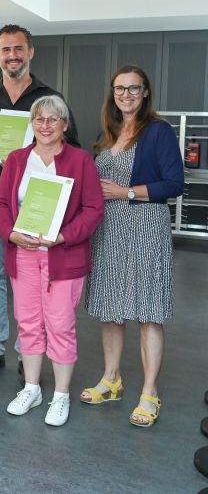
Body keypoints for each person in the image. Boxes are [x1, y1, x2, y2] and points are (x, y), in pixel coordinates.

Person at [0, 24, 80, 381]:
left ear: (30, 52)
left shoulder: (49, 97)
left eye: (19, 49)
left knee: (29, 278)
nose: (12, 56)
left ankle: (26, 352)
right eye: (6, 49)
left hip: (36, 199)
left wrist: (31, 160)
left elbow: (72, 148)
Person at [80, 65, 184, 427]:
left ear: (145, 92)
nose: (126, 94)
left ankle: (149, 392)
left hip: (146, 227)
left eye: (134, 88)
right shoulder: (106, 133)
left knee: (148, 310)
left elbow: (174, 184)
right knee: (110, 307)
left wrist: (125, 192)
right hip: (108, 229)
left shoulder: (158, 131)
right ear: (112, 93)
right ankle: (112, 380)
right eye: (120, 88)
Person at [0, 95, 103, 426]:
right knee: (27, 322)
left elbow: (94, 209)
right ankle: (32, 388)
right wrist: (10, 233)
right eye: (39, 119)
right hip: (23, 255)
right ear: (32, 124)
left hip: (63, 258)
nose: (45, 125)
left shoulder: (81, 161)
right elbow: (0, 203)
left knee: (60, 325)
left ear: (65, 125)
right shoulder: (16, 159)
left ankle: (61, 394)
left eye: (53, 119)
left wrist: (63, 236)